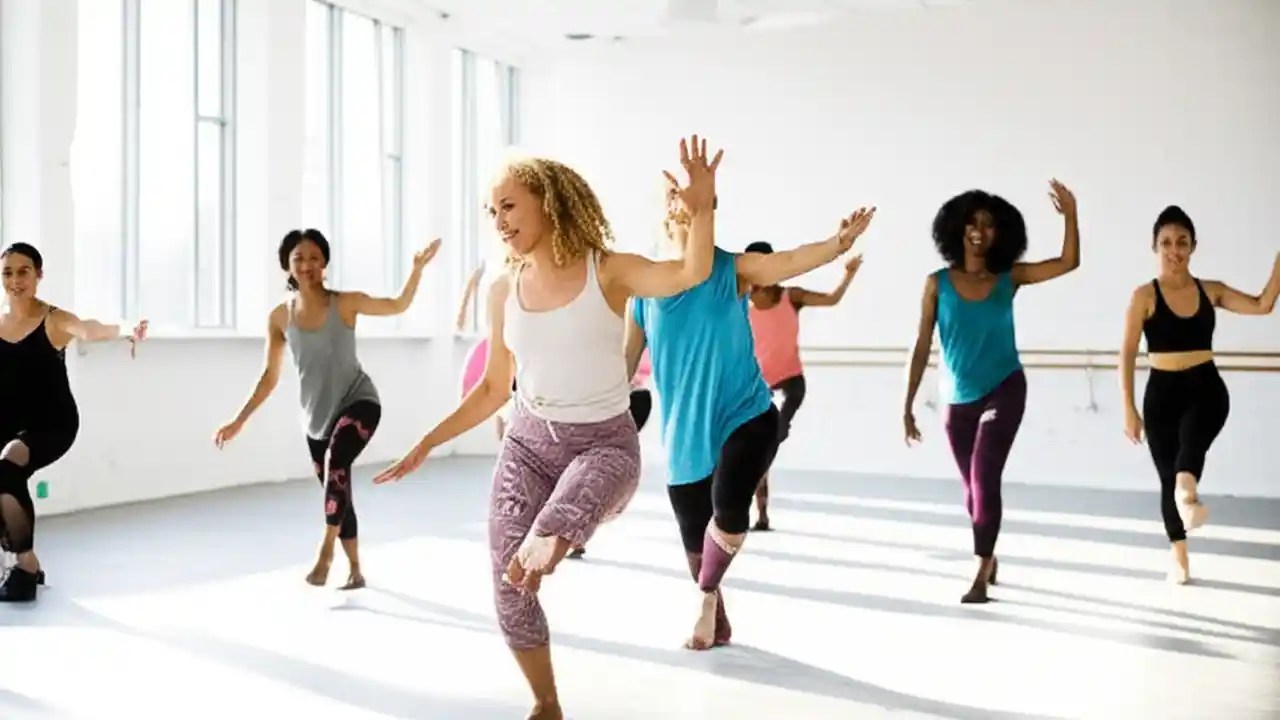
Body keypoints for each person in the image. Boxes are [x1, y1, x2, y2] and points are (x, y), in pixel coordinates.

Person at [373, 135, 722, 720]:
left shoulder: (606, 270)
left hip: (605, 447)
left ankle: (553, 538)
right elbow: (493, 388)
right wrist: (428, 442)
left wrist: (703, 208)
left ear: (547, 199)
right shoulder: (502, 289)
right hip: (528, 445)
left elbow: (690, 271)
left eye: (509, 205)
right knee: (508, 586)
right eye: (491, 211)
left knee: (552, 526)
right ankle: (546, 703)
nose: (499, 221)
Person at [627, 188, 875, 651]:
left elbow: (788, 262)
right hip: (683, 435)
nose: (683, 207)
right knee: (696, 544)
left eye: (696, 200)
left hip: (747, 413)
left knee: (730, 511)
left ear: (709, 213)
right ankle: (716, 612)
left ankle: (704, 601)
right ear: (664, 216)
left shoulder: (731, 269)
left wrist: (836, 243)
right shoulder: (643, 286)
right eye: (675, 200)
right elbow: (624, 364)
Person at [213, 229, 439, 591]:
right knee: (338, 488)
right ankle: (355, 569)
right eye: (298, 258)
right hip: (316, 418)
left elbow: (397, 305)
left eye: (315, 258)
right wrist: (239, 420)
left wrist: (416, 269)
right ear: (287, 266)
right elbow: (270, 376)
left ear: (325, 264)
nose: (307, 265)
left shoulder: (345, 303)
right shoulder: (279, 318)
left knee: (337, 464)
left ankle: (325, 553)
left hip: (360, 401)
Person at [902, 180, 1080, 604]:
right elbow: (922, 344)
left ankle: (980, 567)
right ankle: (990, 552)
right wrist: (906, 405)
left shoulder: (1009, 277)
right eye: (971, 223)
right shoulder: (937, 283)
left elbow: (1068, 262)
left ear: (1001, 233)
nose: (979, 230)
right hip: (957, 399)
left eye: (988, 224)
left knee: (985, 475)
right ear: (957, 230)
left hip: (1005, 387)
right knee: (972, 490)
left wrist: (1071, 215)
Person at [1119, 205, 1279, 584]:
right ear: (1155, 246)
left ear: (1193, 247)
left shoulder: (1211, 291)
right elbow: (1126, 352)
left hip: (1204, 389)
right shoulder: (1144, 295)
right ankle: (1179, 552)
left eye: (1182, 242)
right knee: (1167, 477)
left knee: (1188, 451)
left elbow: (1262, 304)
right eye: (1166, 243)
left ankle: (1188, 496)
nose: (1175, 250)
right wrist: (1127, 408)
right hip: (1161, 395)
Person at [0, 242, 147, 602]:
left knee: (7, 465)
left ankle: (26, 566)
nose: (15, 280)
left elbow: (90, 329)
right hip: (7, 421)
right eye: (7, 272)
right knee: (5, 473)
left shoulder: (53, 319)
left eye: (24, 271)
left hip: (52, 423)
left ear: (39, 275)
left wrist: (128, 327)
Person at [744, 243, 862, 530]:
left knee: (771, 435)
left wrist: (848, 275)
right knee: (760, 448)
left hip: (790, 383)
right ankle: (760, 513)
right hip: (759, 386)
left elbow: (831, 299)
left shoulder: (791, 297)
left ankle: (759, 505)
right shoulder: (741, 301)